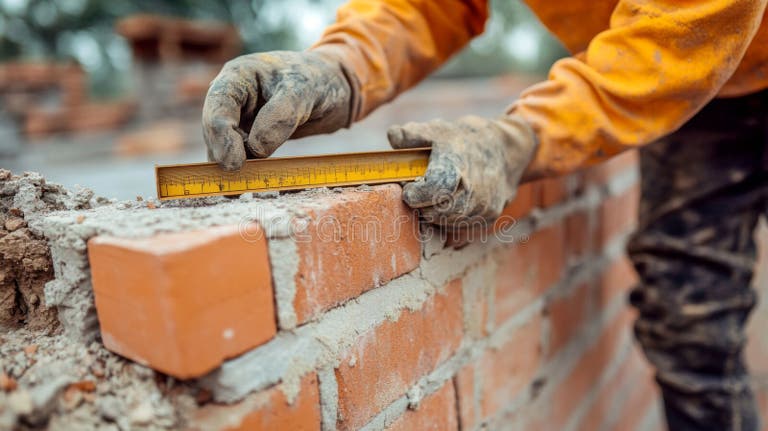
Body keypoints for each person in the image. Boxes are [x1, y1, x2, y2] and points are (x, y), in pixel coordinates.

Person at [201, 1, 768, 429]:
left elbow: (689, 27)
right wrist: (340, 66)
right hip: (700, 94)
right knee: (689, 316)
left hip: (698, 40)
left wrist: (520, 139)